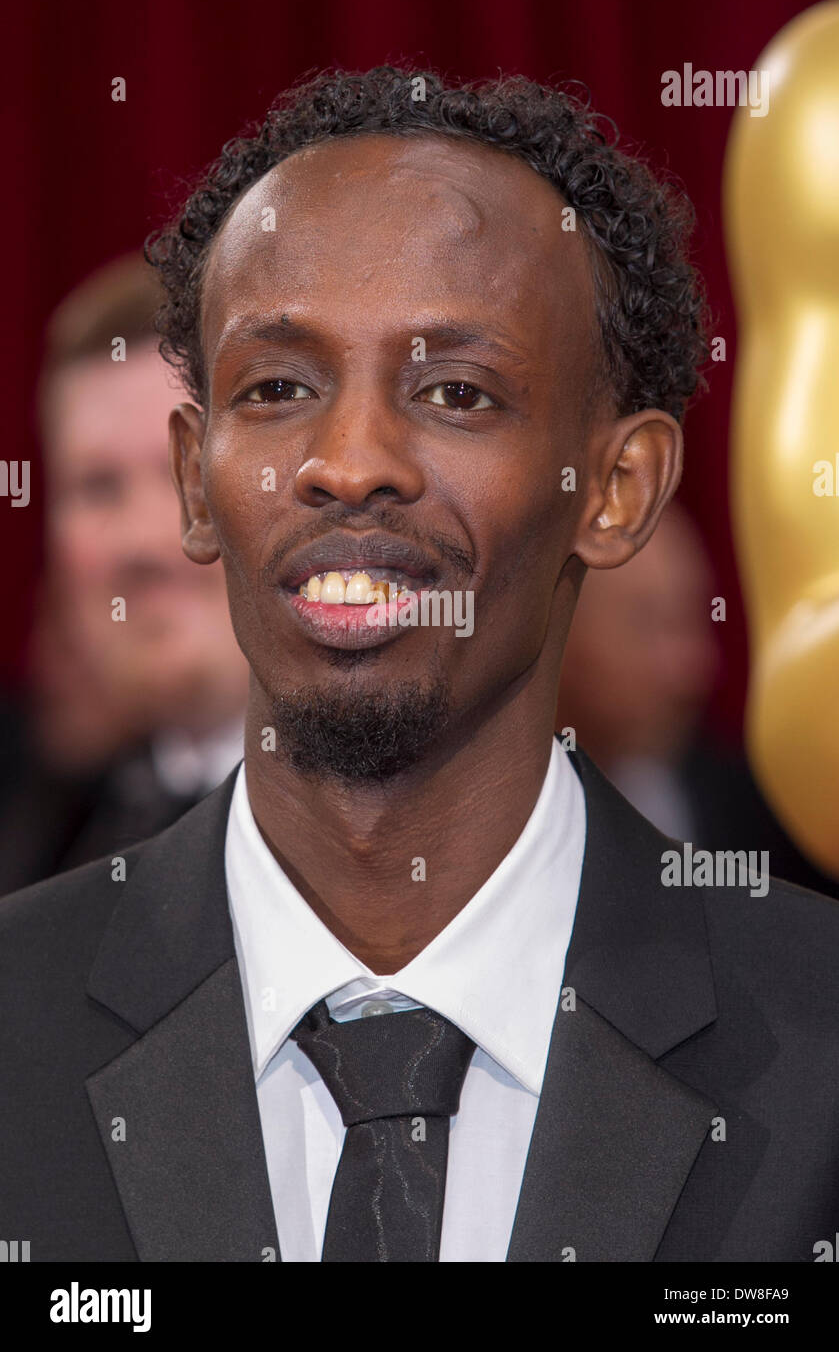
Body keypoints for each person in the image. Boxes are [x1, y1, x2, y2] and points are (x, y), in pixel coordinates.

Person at [2, 66, 838, 1263]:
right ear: (197, 477)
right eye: (279, 386)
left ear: (616, 488)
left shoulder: (818, 1051)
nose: (348, 461)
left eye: (455, 391)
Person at [0, 254, 249, 894]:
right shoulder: (43, 850)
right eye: (99, 487)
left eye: (185, 475)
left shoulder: (429, 846)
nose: (143, 540)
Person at [557, 501, 839, 896]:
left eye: (695, 623)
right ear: (556, 633)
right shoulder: (489, 838)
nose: (693, 668)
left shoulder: (762, 822)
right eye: (648, 626)